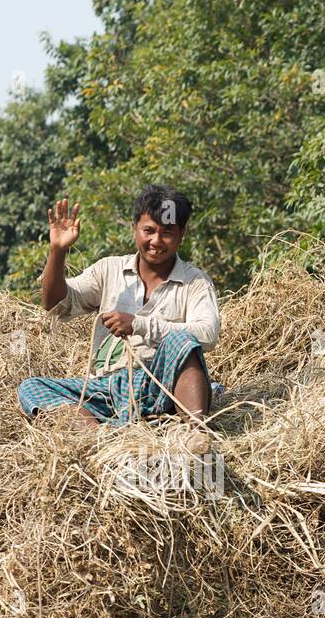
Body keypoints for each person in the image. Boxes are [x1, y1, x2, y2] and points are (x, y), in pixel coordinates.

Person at [17, 185, 220, 447]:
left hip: (159, 385)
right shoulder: (109, 269)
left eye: (167, 233)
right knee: (32, 388)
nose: (156, 241)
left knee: (182, 341)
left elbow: (208, 334)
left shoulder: (195, 282)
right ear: (135, 227)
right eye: (149, 231)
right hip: (105, 387)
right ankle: (102, 442)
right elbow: (55, 303)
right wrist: (57, 251)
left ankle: (196, 435)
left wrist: (138, 324)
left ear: (182, 235)